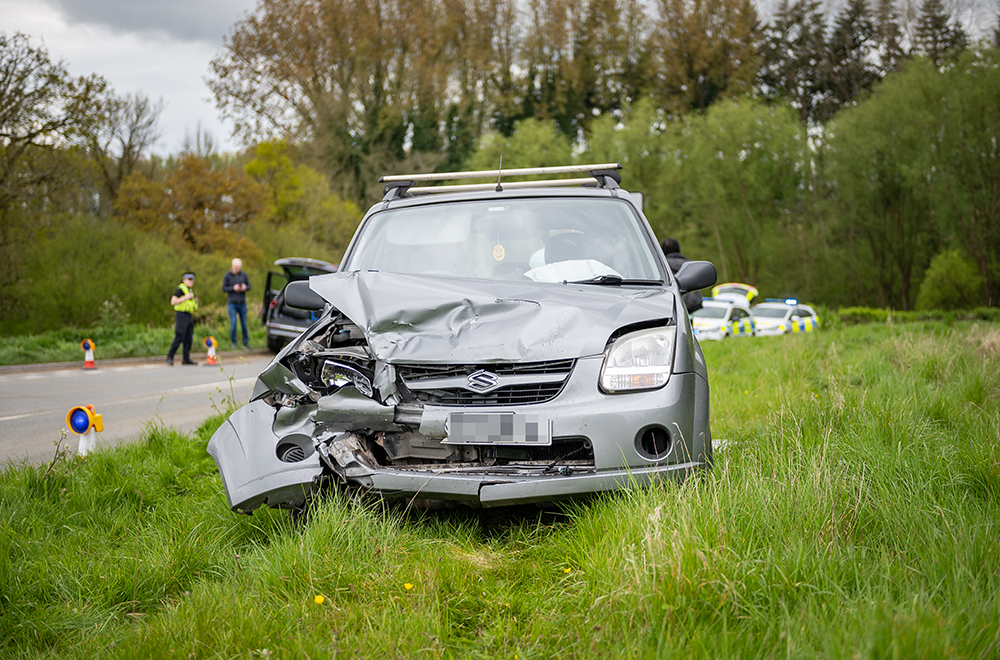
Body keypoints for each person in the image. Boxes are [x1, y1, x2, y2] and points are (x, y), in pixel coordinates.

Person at [660, 238, 703, 312]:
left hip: (668, 310)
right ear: (678, 249)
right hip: (692, 309)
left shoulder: (659, 267)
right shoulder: (691, 266)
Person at [167, 272, 199, 365]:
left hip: (189, 315)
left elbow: (194, 304)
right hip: (181, 315)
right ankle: (170, 356)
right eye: (189, 279)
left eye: (192, 280)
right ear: (184, 280)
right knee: (179, 336)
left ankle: (186, 358)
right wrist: (185, 297)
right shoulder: (181, 290)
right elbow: (173, 301)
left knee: (188, 337)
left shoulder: (192, 291)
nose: (191, 282)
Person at [222, 258, 252, 349]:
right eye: (236, 268)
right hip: (232, 303)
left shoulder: (244, 275)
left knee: (244, 323)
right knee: (233, 323)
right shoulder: (227, 276)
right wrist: (232, 288)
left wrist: (245, 287)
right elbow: (223, 288)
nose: (237, 270)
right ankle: (233, 342)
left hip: (242, 303)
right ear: (232, 266)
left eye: (239, 268)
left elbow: (249, 286)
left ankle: (245, 343)